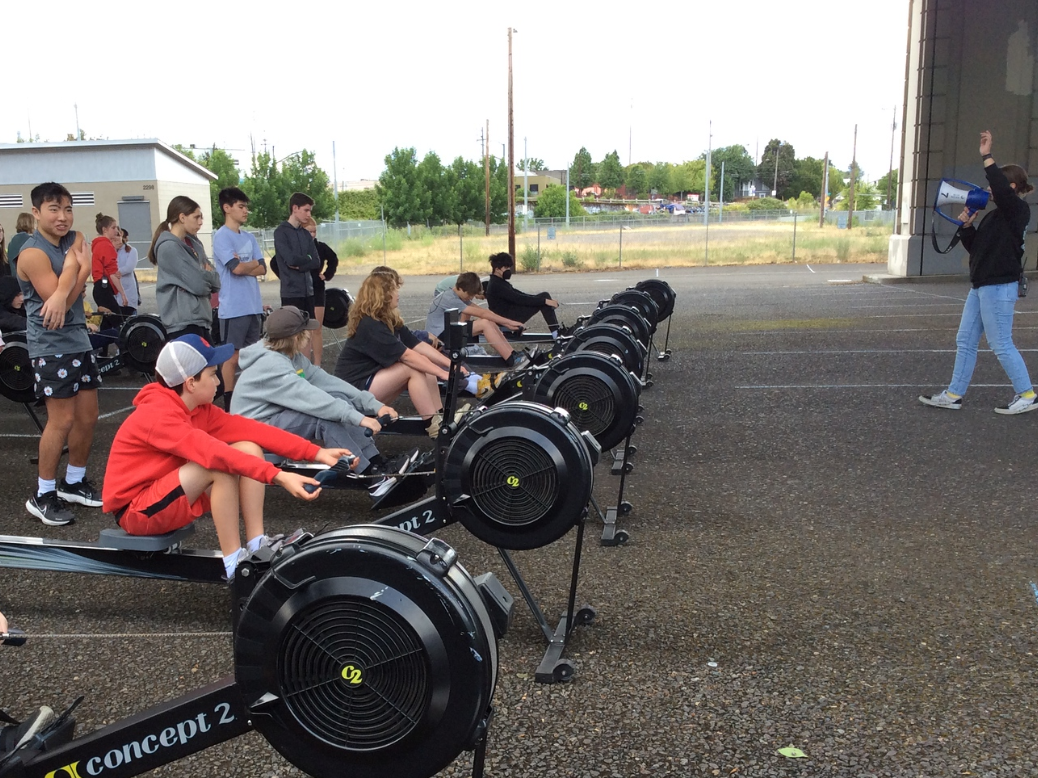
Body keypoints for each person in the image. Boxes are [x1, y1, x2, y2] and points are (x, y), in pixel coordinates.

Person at [101, 334, 354, 580]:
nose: (219, 382)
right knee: (217, 466)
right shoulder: (158, 415)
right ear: (191, 383)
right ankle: (234, 563)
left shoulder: (199, 409)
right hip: (136, 510)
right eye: (212, 375)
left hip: (164, 493)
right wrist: (278, 476)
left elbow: (253, 429)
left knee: (249, 446)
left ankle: (257, 544)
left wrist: (317, 452)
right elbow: (213, 453)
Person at [920, 130, 1037, 415]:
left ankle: (1027, 394)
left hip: (998, 286)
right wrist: (967, 226)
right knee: (966, 340)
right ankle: (953, 394)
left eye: (994, 186)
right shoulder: (996, 216)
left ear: (1010, 187)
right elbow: (978, 250)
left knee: (1001, 344)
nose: (988, 191)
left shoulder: (1016, 210)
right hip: (982, 286)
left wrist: (987, 155)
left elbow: (997, 182)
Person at [233, 306, 405, 483]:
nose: (309, 335)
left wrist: (375, 405)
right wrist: (361, 419)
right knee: (323, 418)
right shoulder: (271, 365)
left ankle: (376, 462)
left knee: (340, 398)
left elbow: (327, 382)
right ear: (295, 336)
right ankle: (369, 475)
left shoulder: (288, 354)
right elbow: (312, 399)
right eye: (306, 331)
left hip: (270, 419)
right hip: (254, 432)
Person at [16, 182, 102, 526]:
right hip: (50, 347)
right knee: (61, 420)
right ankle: (43, 494)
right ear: (36, 213)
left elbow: (67, 291)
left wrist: (72, 273)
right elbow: (61, 305)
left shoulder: (76, 237)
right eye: (54, 209)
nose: (63, 217)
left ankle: (74, 482)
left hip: (78, 341)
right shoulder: (32, 253)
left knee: (88, 416)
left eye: (67, 209)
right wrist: (78, 269)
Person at [335, 271, 466, 435]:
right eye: (394, 290)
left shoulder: (386, 318)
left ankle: (442, 418)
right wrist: (443, 373)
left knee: (423, 363)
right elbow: (407, 356)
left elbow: (416, 345)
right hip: (352, 391)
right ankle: (434, 427)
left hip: (368, 384)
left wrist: (452, 365)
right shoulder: (370, 325)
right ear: (383, 295)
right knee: (411, 368)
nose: (398, 294)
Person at [212, 187, 266, 410]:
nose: (246, 211)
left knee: (252, 356)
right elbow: (235, 269)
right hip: (233, 308)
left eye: (246, 207)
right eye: (241, 207)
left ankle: (250, 399)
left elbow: (263, 268)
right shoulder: (221, 237)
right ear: (227, 208)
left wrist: (249, 265)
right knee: (232, 357)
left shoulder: (249, 237)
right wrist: (248, 265)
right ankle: (229, 402)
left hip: (253, 307)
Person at [149, 196, 220, 341]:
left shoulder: (194, 243)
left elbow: (217, 281)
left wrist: (205, 275)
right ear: (182, 217)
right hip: (183, 323)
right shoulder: (168, 247)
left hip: (201, 319)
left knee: (212, 362)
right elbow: (199, 285)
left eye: (202, 218)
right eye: (196, 217)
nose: (200, 222)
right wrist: (206, 276)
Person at [426, 271, 526, 366]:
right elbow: (481, 313)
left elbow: (485, 312)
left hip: (448, 330)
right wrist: (509, 322)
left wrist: (509, 324)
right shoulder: (450, 298)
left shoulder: (457, 295)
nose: (471, 298)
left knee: (488, 321)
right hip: (438, 337)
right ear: (460, 288)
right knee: (485, 323)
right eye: (469, 295)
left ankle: (512, 353)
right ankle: (510, 359)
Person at [273, 192, 320, 331]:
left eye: (310, 211)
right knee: (293, 334)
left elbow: (316, 261)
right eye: (306, 210)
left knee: (307, 331)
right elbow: (290, 259)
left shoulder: (305, 234)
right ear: (295, 208)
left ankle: (306, 354)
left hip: (308, 292)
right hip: (291, 293)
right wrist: (307, 258)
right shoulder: (281, 232)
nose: (309, 214)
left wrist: (301, 266)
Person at [485, 251, 562, 335]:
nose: (508, 270)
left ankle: (556, 331)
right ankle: (556, 334)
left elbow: (521, 294)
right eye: (506, 268)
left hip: (509, 314)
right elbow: (519, 298)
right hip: (506, 319)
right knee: (544, 298)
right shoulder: (496, 285)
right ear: (497, 269)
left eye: (509, 267)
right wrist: (544, 301)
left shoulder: (499, 282)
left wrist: (544, 300)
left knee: (544, 297)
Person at [302, 218, 338, 368]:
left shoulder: (321, 247)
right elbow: (276, 262)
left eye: (314, 231)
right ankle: (304, 365)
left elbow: (333, 259)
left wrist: (326, 274)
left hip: (317, 288)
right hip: (301, 289)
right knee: (304, 331)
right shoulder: (297, 248)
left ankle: (317, 364)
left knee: (316, 328)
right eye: (308, 231)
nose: (312, 234)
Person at [90, 214, 130, 331]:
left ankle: (103, 348)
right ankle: (125, 348)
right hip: (103, 288)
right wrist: (123, 294)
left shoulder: (98, 244)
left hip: (100, 287)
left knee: (107, 324)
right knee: (118, 323)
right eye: (113, 227)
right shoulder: (106, 246)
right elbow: (113, 273)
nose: (117, 230)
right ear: (105, 230)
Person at [115, 228, 140, 313]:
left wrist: (115, 272)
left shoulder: (132, 251)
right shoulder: (112, 251)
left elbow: (129, 267)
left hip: (128, 288)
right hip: (115, 289)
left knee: (128, 315)